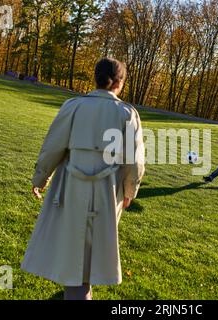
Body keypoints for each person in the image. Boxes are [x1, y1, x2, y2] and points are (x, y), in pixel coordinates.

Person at [21, 58, 145, 300]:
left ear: (95, 78)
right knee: (93, 247)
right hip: (107, 191)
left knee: (74, 245)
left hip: (71, 187)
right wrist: (130, 191)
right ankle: (80, 291)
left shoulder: (73, 106)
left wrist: (40, 178)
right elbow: (135, 161)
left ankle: (78, 290)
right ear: (120, 83)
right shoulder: (128, 114)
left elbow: (53, 147)